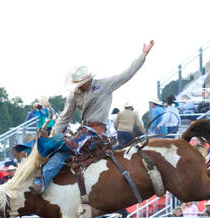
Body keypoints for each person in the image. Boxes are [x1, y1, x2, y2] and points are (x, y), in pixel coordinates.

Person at [28, 41, 156, 192]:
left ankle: (41, 181)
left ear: (87, 80)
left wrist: (142, 56)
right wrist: (54, 134)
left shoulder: (104, 85)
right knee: (52, 145)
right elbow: (64, 117)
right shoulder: (74, 94)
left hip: (97, 133)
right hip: (84, 130)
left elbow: (126, 74)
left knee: (65, 148)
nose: (79, 87)